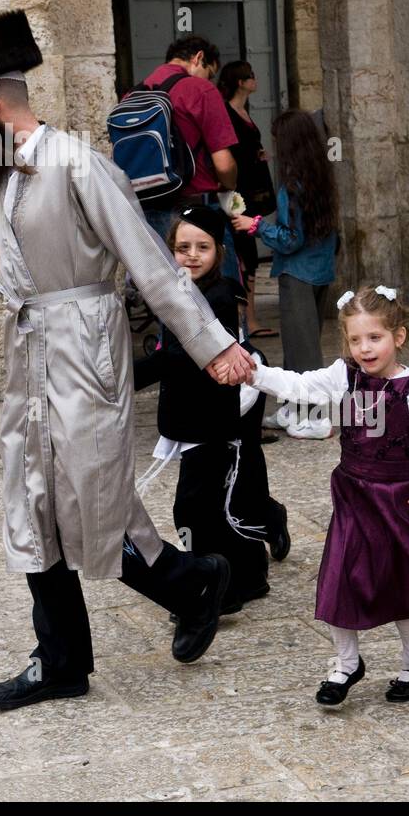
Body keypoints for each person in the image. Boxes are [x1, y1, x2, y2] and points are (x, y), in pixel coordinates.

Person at [0, 10, 255, 712]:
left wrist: (214, 344)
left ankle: (191, 581)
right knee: (33, 503)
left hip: (84, 352)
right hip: (32, 351)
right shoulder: (6, 174)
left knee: (90, 503)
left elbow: (150, 262)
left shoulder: (77, 164)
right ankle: (63, 658)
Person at [249, 285, 409, 705]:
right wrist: (253, 371)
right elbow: (299, 385)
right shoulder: (344, 376)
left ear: (398, 337)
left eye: (373, 338)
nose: (364, 348)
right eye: (355, 340)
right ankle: (345, 663)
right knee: (338, 578)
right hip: (353, 498)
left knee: (404, 582)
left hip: (398, 504)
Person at [134, 205, 285, 614]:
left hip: (213, 418)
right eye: (183, 247)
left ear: (219, 251)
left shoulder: (217, 297)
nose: (193, 255)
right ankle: (249, 573)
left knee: (193, 509)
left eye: (203, 247)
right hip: (190, 417)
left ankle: (222, 586)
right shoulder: (177, 290)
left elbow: (185, 355)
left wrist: (129, 377)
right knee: (207, 509)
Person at [231, 108, 338, 439]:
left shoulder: (291, 184)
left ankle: (316, 419)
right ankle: (293, 408)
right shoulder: (321, 175)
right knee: (299, 347)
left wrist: (257, 226)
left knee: (304, 353)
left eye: (278, 140)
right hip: (320, 271)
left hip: (298, 275)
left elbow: (291, 239)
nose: (274, 147)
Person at [141, 35, 241, 282]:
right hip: (196, 209)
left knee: (171, 298)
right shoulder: (200, 89)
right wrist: (230, 185)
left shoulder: (136, 93)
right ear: (199, 58)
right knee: (221, 293)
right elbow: (224, 163)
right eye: (210, 73)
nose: (210, 80)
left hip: (149, 211)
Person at [217, 60, 277, 338]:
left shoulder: (243, 111)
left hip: (252, 188)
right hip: (237, 192)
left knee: (248, 252)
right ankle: (247, 319)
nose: (256, 80)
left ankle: (249, 317)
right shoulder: (227, 113)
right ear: (240, 81)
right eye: (251, 76)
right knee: (245, 253)